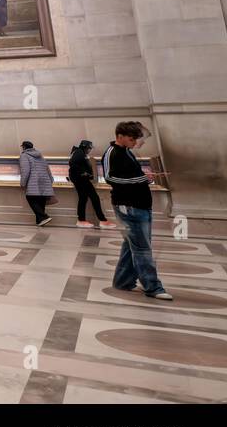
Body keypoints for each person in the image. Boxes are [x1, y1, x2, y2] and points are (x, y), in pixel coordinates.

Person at [103, 121, 170, 300]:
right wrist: (140, 180)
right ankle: (153, 287)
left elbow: (131, 177)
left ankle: (123, 281)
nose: (135, 142)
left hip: (139, 204)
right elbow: (110, 178)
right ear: (120, 136)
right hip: (128, 206)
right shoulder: (112, 152)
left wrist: (144, 179)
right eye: (132, 139)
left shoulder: (127, 152)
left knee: (131, 246)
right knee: (142, 249)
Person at [68, 140, 110, 228]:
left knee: (84, 198)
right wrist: (83, 173)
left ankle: (82, 220)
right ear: (85, 147)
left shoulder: (79, 152)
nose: (90, 150)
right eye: (89, 148)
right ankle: (101, 220)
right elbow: (72, 163)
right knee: (94, 197)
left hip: (81, 179)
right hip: (81, 180)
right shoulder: (79, 153)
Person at [19, 140, 55, 226]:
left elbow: (25, 171)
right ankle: (40, 221)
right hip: (44, 181)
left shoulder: (24, 156)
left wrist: (22, 183)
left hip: (33, 181)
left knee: (30, 198)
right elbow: (47, 169)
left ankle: (44, 217)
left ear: (23, 147)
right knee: (40, 200)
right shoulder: (40, 155)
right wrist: (50, 180)